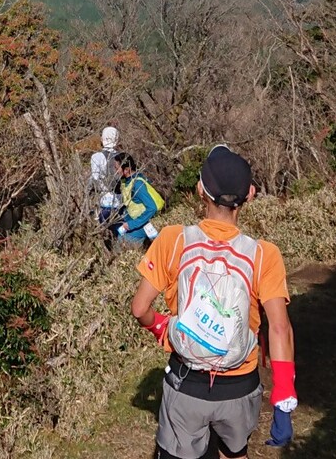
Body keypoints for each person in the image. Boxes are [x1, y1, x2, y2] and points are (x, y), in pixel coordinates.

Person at [130, 145, 297, 457]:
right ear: (250, 194)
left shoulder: (172, 239)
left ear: (199, 190)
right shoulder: (265, 255)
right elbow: (279, 329)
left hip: (186, 382)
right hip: (240, 385)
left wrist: (162, 327)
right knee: (235, 452)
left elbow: (139, 308)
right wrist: (284, 396)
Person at [108, 152, 164, 245]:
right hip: (134, 221)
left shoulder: (137, 185)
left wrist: (131, 225)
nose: (116, 171)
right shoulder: (126, 181)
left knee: (121, 243)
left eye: (117, 168)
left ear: (126, 170)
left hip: (144, 224)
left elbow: (152, 208)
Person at [89, 126, 121, 226]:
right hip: (120, 199)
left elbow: (95, 178)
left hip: (105, 199)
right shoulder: (123, 156)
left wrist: (89, 191)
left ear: (103, 139)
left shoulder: (97, 157)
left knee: (104, 227)